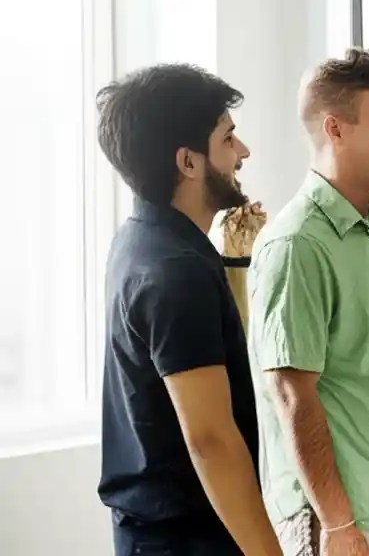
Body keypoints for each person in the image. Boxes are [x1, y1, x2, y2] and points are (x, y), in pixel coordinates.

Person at [248, 48, 369, 556]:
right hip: (344, 527)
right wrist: (336, 524)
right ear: (336, 129)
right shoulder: (297, 244)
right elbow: (292, 396)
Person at [96, 64, 282, 556]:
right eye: (228, 138)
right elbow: (210, 439)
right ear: (188, 161)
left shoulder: (143, 240)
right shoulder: (175, 271)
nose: (243, 152)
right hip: (185, 540)